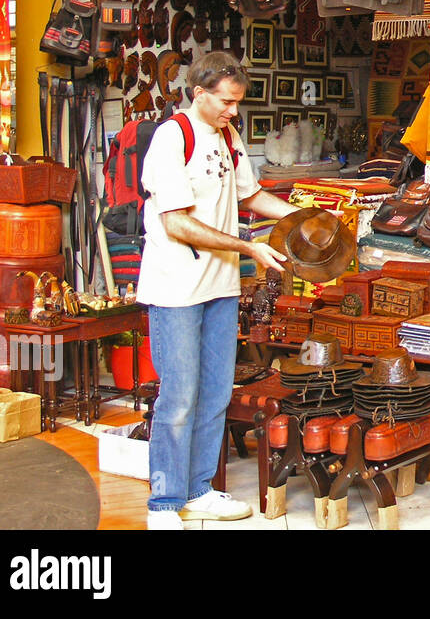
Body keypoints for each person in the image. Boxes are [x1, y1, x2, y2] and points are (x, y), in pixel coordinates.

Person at [137, 52, 299, 530]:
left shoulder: (229, 137)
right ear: (199, 92)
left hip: (221, 287)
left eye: (237, 103)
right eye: (226, 102)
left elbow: (249, 196)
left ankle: (200, 489)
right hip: (177, 289)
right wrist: (249, 248)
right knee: (180, 397)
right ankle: (163, 503)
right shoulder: (172, 138)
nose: (234, 111)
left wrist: (303, 214)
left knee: (213, 394)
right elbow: (179, 224)